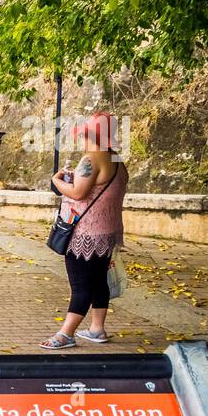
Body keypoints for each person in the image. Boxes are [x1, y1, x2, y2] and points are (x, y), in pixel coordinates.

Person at [41, 112, 129, 349]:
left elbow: (78, 193)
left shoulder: (90, 159)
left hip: (85, 233)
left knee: (81, 285)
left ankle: (65, 334)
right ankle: (97, 329)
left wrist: (58, 181)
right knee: (99, 281)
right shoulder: (117, 160)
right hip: (108, 232)